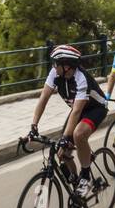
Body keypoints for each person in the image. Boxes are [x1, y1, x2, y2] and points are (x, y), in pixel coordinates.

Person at [28, 44, 108, 199]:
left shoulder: (81, 78)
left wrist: (66, 138)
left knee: (78, 134)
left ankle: (86, 178)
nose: (53, 66)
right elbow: (43, 98)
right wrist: (33, 126)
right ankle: (76, 181)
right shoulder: (55, 73)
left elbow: (77, 111)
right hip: (77, 109)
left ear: (66, 66)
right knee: (62, 152)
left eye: (55, 63)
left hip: (95, 109)